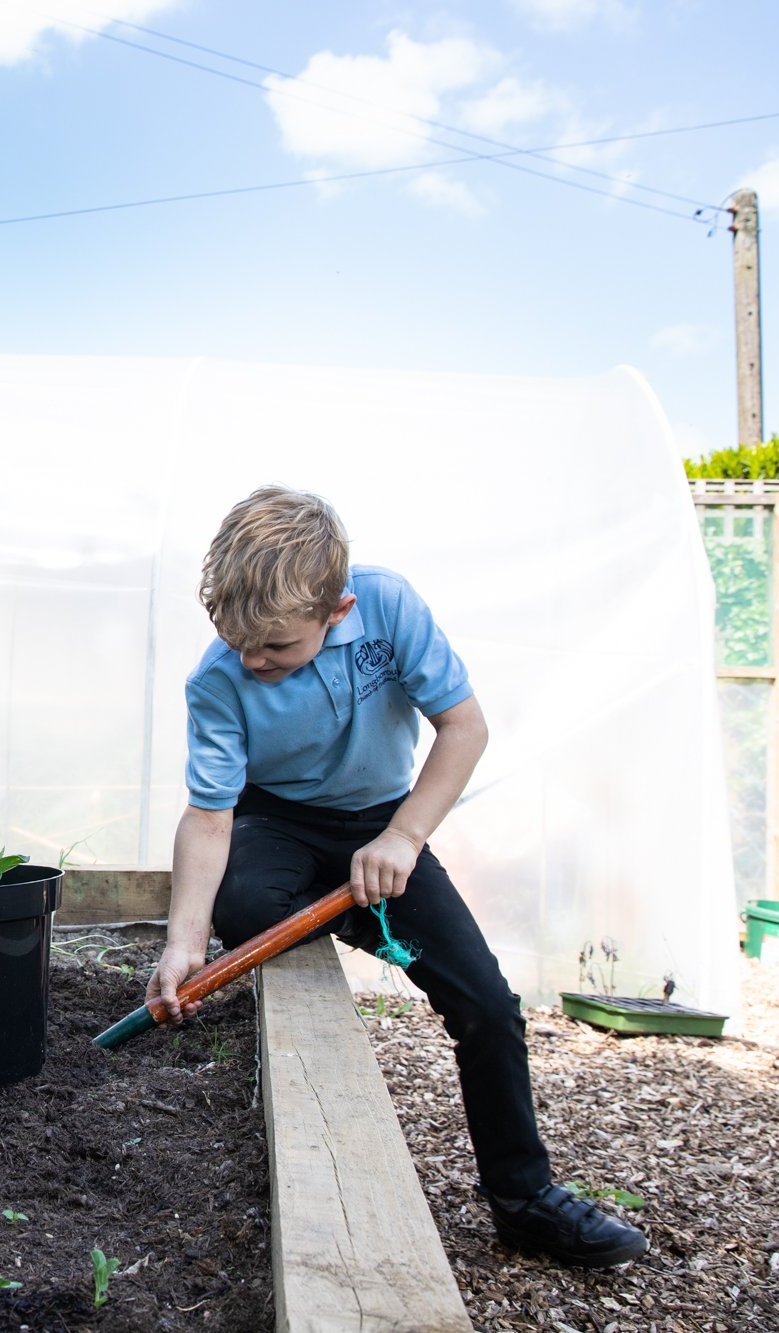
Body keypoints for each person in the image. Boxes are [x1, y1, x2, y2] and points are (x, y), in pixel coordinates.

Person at [145, 486, 648, 1270]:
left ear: (338, 609)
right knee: (243, 907)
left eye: (274, 645)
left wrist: (404, 837)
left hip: (383, 821)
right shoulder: (219, 679)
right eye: (237, 640)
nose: (251, 661)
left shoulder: (389, 606)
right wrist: (181, 944)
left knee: (486, 1001)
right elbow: (210, 818)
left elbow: (465, 726)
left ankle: (524, 1199)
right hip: (274, 819)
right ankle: (348, 911)